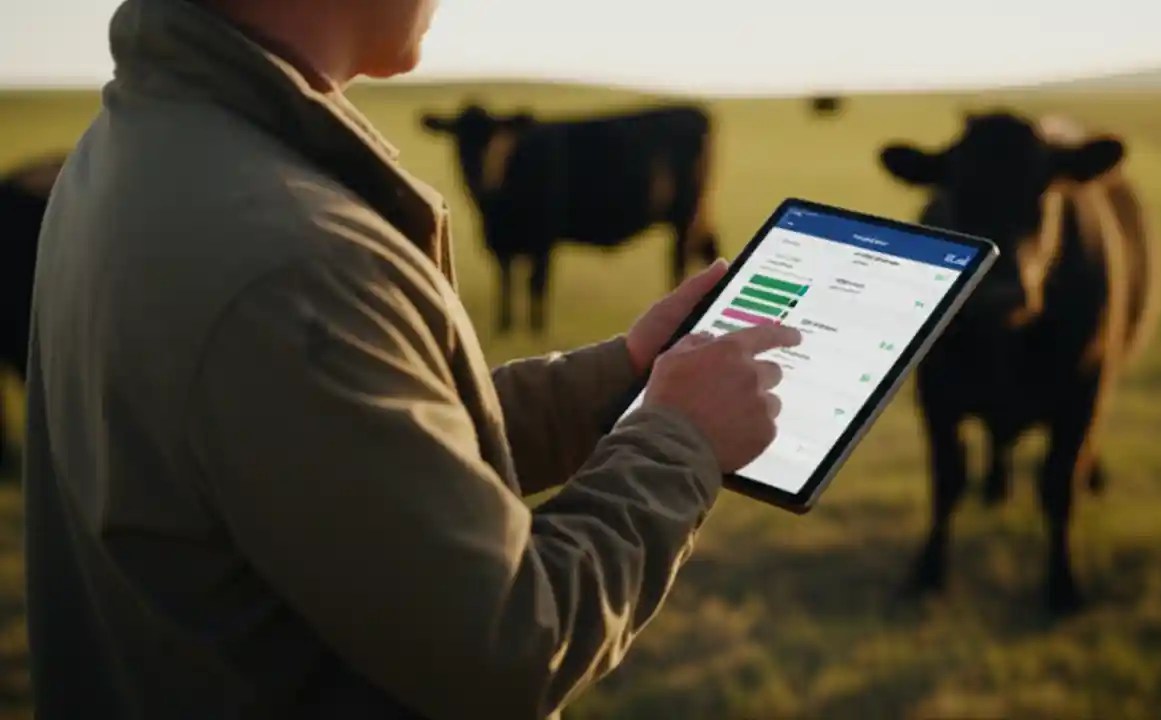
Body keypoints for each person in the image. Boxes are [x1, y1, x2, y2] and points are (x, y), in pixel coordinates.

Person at [23, 0, 802, 717]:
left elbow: (339, 458)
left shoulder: (139, 146)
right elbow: (509, 646)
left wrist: (622, 376)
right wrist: (678, 440)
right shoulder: (293, 260)